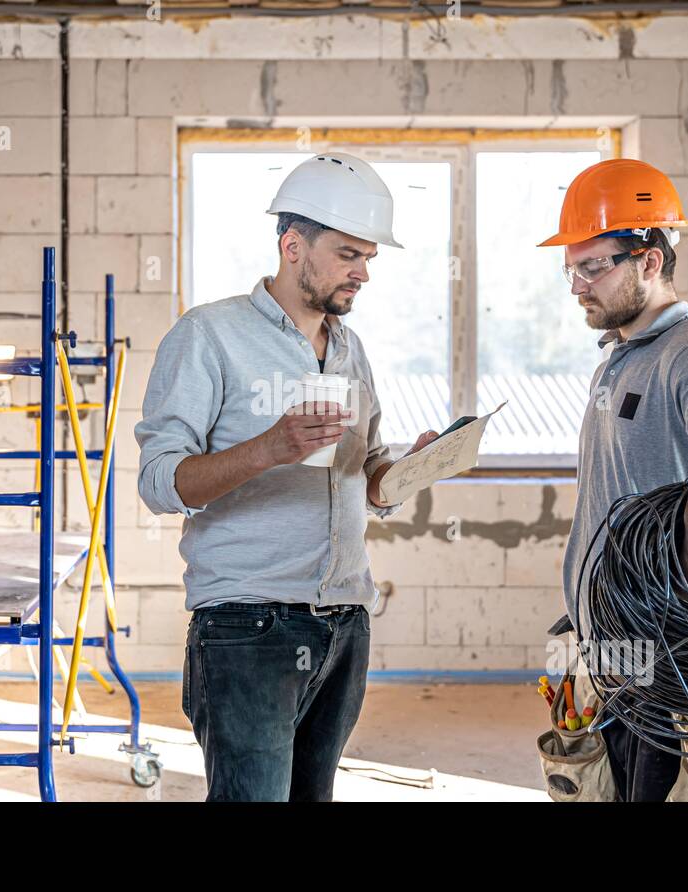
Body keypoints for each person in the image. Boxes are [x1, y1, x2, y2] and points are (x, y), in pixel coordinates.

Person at [135, 152, 437, 801]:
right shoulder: (208, 336)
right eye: (349, 254)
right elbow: (160, 482)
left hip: (344, 618)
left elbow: (369, 470)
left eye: (369, 259)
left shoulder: (350, 348)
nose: (362, 272)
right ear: (292, 245)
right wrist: (269, 447)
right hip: (248, 627)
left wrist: (411, 469)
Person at [539, 158, 688, 801]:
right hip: (608, 646)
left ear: (649, 261)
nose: (578, 285)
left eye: (593, 267)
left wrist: (677, 590)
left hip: (670, 657)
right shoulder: (620, 354)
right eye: (571, 269)